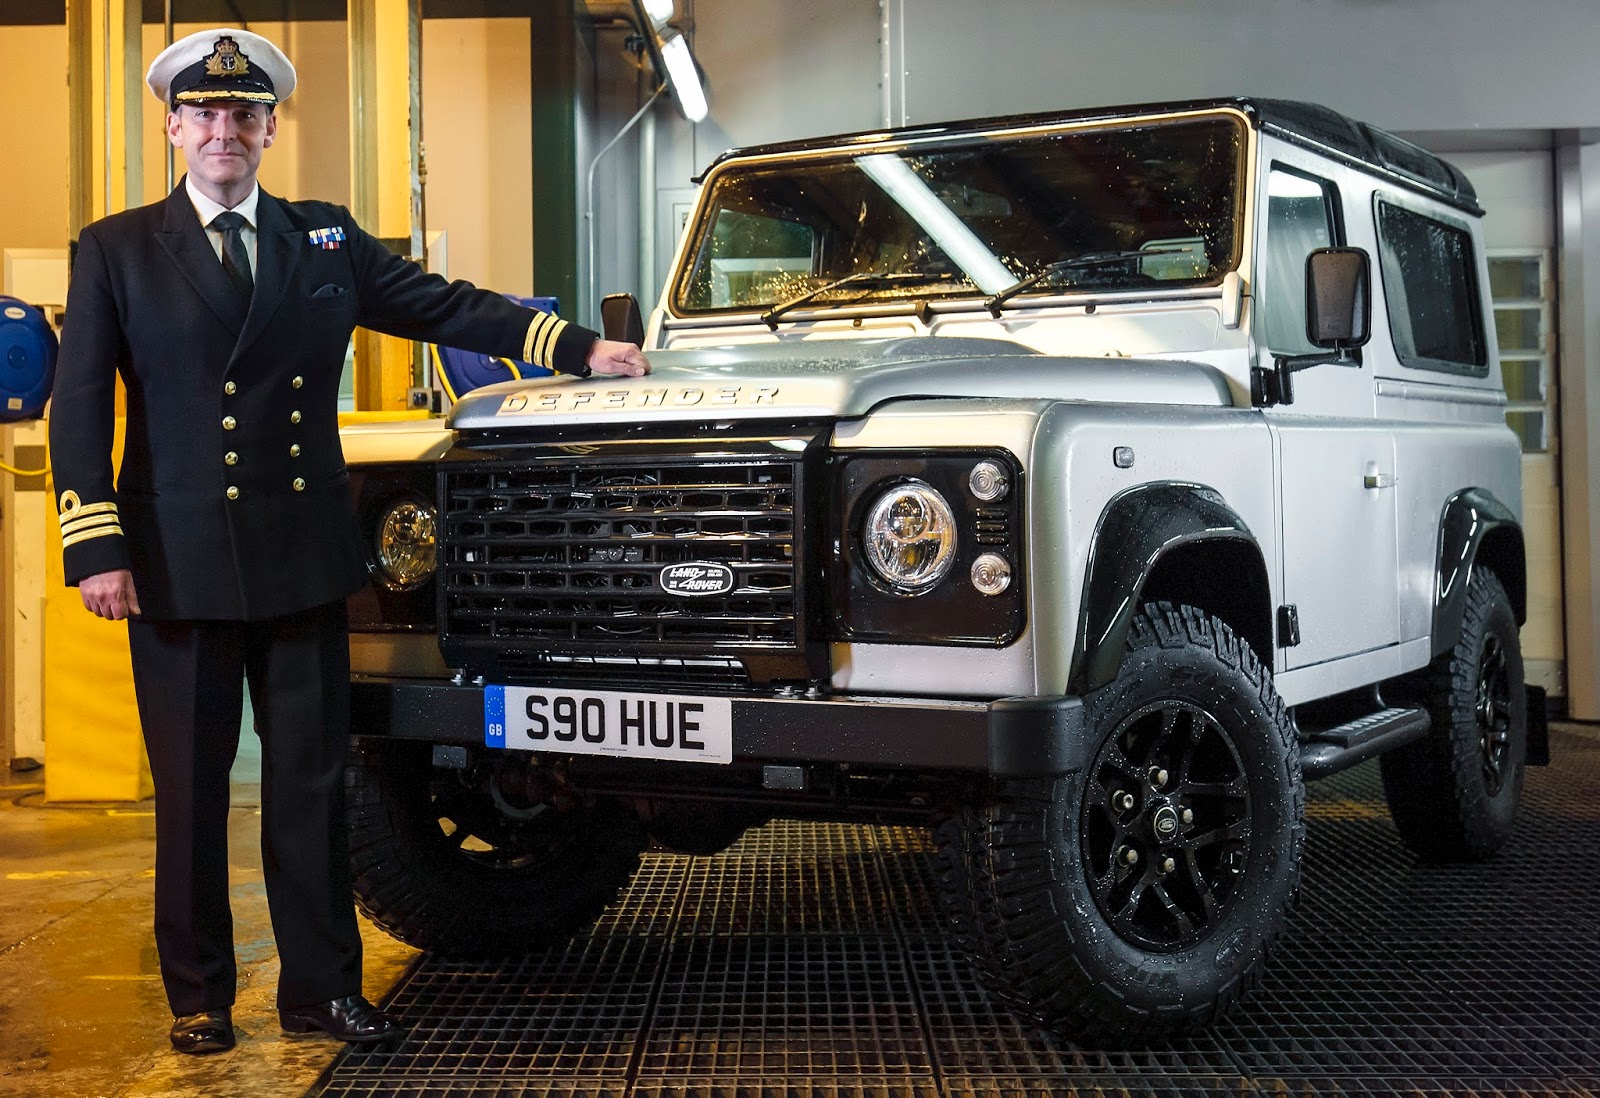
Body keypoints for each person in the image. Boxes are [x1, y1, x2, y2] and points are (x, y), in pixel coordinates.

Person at [48, 27, 650, 1055]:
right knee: (191, 800)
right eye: (204, 114)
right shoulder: (115, 248)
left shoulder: (321, 241)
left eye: (244, 115)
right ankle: (198, 996)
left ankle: (321, 991)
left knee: (312, 788)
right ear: (173, 128)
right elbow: (75, 406)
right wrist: (94, 543)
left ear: (271, 128)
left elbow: (440, 305)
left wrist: (579, 347)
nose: (223, 130)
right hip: (176, 564)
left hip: (300, 555)